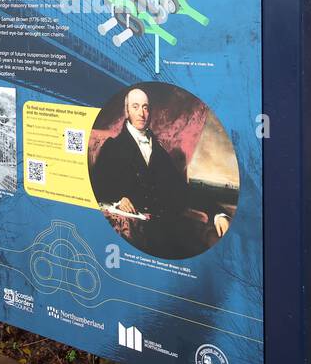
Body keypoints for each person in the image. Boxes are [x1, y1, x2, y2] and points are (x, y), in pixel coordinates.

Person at [89, 87, 230, 259]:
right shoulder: (113, 146)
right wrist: (119, 198)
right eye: (135, 107)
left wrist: (217, 213)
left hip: (164, 229)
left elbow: (181, 190)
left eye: (145, 107)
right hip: (133, 236)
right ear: (127, 111)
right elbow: (98, 185)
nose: (141, 113)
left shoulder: (159, 151)